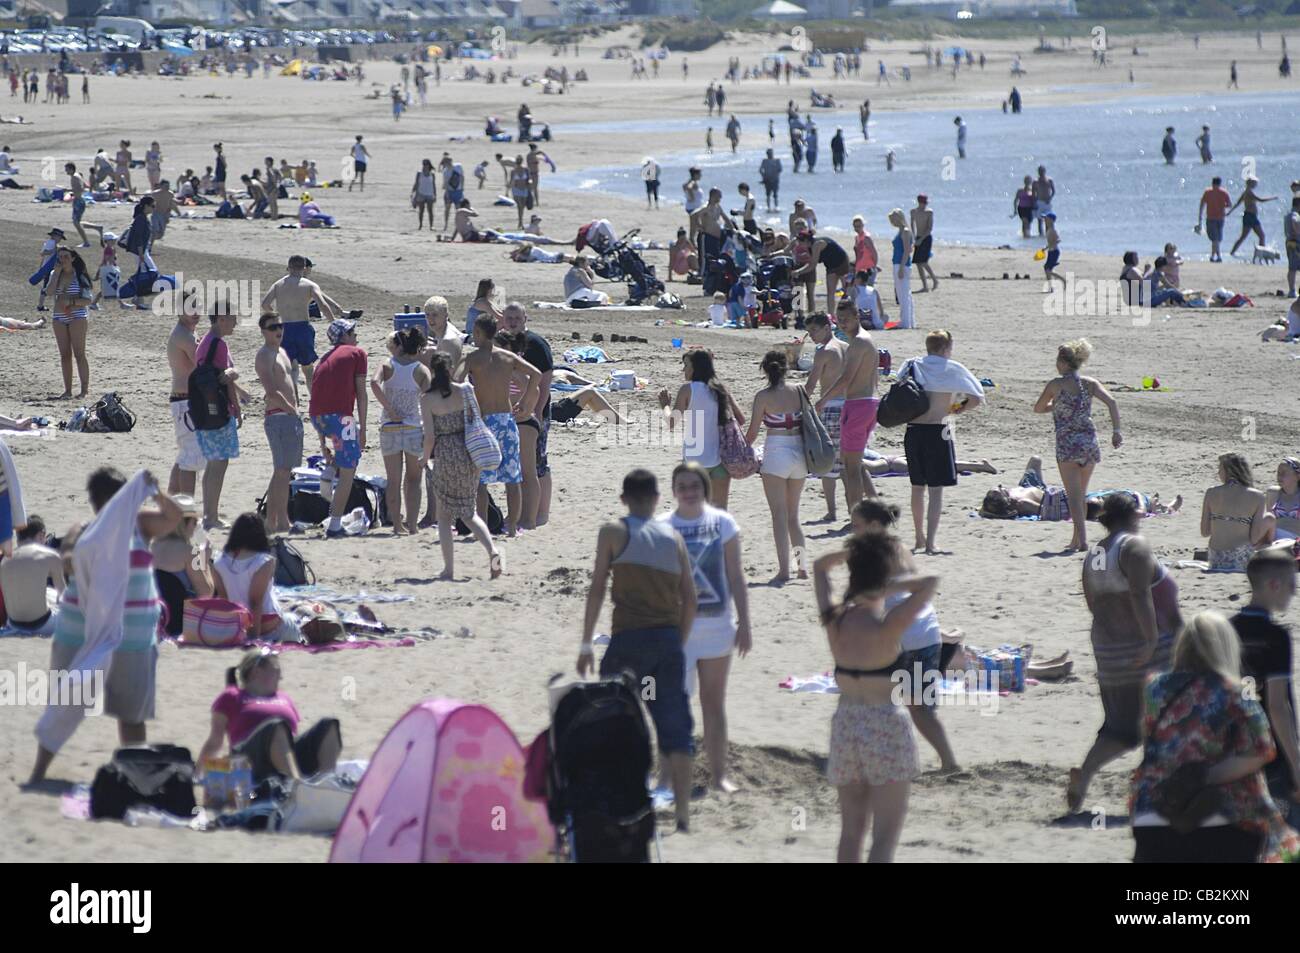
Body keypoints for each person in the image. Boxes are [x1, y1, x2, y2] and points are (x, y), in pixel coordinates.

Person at [29, 468, 183, 784]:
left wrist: (154, 491)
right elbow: (69, 557)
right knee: (65, 704)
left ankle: (135, 777)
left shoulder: (140, 524)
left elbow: (174, 517)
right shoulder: (85, 530)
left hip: (131, 638)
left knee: (130, 714)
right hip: (82, 632)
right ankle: (39, 772)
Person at [577, 469, 697, 831]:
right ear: (658, 499)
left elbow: (598, 587)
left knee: (615, 720)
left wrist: (585, 644)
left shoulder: (613, 531)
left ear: (624, 499)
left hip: (628, 641)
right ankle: (682, 817)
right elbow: (690, 601)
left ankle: (618, 802)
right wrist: (679, 640)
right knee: (675, 726)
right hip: (666, 643)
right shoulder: (674, 538)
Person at [1129, 612, 1300, 863]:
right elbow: (1263, 750)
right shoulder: (1235, 692)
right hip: (1222, 818)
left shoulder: (1155, 688)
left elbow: (1151, 744)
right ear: (1227, 649)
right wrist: (1206, 775)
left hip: (1154, 810)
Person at [815, 533, 937, 862]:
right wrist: (883, 585)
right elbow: (928, 582)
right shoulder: (889, 625)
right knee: (884, 838)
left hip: (845, 726)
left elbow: (819, 567)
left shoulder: (835, 620)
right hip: (884, 726)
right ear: (883, 578)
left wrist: (855, 554)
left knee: (850, 833)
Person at [1069, 492, 1182, 813]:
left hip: (1108, 650)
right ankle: (1157, 790)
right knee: (1163, 720)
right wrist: (1149, 640)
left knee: (1122, 727)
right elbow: (1139, 593)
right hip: (1150, 651)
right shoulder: (1134, 546)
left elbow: (1094, 604)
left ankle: (1087, 772)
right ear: (1132, 515)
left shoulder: (1095, 554)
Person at [851, 499, 960, 773]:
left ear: (875, 525)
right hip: (927, 631)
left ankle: (946, 763)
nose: (852, 532)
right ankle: (944, 760)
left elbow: (871, 601)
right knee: (915, 707)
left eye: (856, 526)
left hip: (908, 638)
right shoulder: (899, 547)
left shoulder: (872, 556)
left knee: (902, 705)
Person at [662, 462, 750, 792]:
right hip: (676, 633)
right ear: (673, 490)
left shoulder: (723, 523)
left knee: (714, 704)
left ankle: (718, 776)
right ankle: (669, 776)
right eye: (682, 486)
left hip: (717, 627)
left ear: (704, 488)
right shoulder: (663, 527)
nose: (688, 491)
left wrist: (745, 623)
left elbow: (736, 576)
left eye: (694, 485)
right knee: (675, 705)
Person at [897, 330, 985, 554]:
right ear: (946, 348)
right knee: (936, 490)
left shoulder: (911, 365)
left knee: (917, 487)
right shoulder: (953, 369)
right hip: (939, 429)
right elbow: (976, 397)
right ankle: (931, 542)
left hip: (913, 429)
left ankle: (918, 538)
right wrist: (953, 409)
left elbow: (899, 388)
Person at [197, 648, 342, 784]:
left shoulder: (284, 698)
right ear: (256, 672)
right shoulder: (232, 696)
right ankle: (297, 786)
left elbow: (291, 739)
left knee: (329, 725)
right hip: (249, 761)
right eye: (276, 671)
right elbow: (215, 740)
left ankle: (327, 783)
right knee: (276, 726)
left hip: (285, 760)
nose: (281, 677)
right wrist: (198, 774)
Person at [1232, 550, 1300, 829]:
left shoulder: (1227, 629)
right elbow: (1277, 706)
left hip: (1235, 743)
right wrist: (1296, 765)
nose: (1294, 593)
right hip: (1271, 746)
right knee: (1284, 830)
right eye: (1291, 585)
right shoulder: (1276, 637)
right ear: (1274, 585)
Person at [1033, 340, 1122, 551]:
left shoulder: (1056, 385)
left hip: (1067, 444)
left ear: (1063, 363)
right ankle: (1075, 539)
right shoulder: (1089, 383)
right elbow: (1112, 402)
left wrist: (1054, 407)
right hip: (1089, 442)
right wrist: (1116, 431)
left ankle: (1081, 540)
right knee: (1081, 493)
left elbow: (1038, 408)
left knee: (1073, 496)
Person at [420, 352, 502, 579]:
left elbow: (429, 437)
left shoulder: (427, 399)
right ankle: (493, 551)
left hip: (445, 455)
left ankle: (449, 569)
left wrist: (425, 458)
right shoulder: (466, 390)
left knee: (445, 516)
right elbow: (477, 420)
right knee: (469, 511)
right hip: (468, 452)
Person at [458, 314, 540, 538]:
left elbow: (455, 381)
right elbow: (536, 374)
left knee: (480, 480)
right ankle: (512, 528)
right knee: (512, 478)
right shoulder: (507, 356)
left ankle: (482, 529)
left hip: (484, 422)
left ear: (477, 333)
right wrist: (525, 401)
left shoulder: (472, 357)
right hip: (506, 420)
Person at [745, 351, 808, 583]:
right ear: (786, 368)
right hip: (799, 454)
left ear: (765, 369)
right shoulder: (799, 389)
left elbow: (752, 433)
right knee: (793, 517)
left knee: (779, 517)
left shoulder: (763, 396)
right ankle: (801, 567)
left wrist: (738, 450)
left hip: (776, 452)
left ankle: (784, 571)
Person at [658, 350, 745, 511]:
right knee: (720, 512)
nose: (683, 370)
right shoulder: (721, 389)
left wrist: (665, 406)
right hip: (720, 459)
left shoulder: (688, 389)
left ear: (696, 367)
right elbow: (741, 419)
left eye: (686, 365)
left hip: (694, 459)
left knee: (694, 511)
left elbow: (671, 422)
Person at [816, 300, 880, 514]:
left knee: (849, 469)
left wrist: (823, 399)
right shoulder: (866, 341)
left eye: (846, 319)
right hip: (868, 404)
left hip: (858, 405)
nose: (842, 324)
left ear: (856, 317)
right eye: (838, 320)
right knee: (855, 463)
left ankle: (857, 514)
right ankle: (877, 507)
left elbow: (846, 378)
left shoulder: (859, 342)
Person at [308, 319, 368, 540]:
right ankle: (334, 524)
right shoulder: (357, 353)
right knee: (350, 467)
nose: (355, 335)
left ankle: (329, 472)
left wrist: (322, 443)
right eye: (352, 331)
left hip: (318, 417)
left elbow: (316, 396)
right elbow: (361, 394)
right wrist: (363, 428)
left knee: (341, 459)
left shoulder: (324, 358)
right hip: (341, 418)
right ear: (344, 336)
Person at [368, 326, 431, 535]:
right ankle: (412, 525)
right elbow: (429, 400)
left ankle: (396, 525)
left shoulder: (387, 364)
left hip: (390, 427)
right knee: (414, 479)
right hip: (413, 427)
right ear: (419, 347)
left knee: (393, 480)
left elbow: (374, 383)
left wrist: (389, 408)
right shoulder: (421, 370)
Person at [501, 303, 553, 529]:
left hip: (535, 411)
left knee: (538, 464)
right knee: (519, 466)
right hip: (511, 413)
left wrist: (539, 412)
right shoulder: (502, 343)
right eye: (508, 318)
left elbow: (545, 381)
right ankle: (523, 512)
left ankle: (541, 513)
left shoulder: (536, 344)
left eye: (516, 318)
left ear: (525, 318)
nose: (512, 321)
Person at [260, 255, 340, 399]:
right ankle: (315, 400)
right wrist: (333, 322)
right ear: (304, 268)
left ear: (288, 267)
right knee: (308, 369)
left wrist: (277, 315)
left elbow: (265, 304)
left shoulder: (278, 285)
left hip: (284, 329)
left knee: (289, 368)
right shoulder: (309, 284)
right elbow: (322, 304)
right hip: (303, 328)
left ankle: (294, 402)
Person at [195, 304, 244, 531]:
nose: (235, 322)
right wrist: (237, 408)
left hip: (203, 409)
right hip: (219, 409)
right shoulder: (219, 344)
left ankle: (209, 514)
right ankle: (211, 516)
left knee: (213, 463)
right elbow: (226, 381)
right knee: (219, 463)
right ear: (221, 319)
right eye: (232, 318)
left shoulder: (205, 342)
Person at [254, 312, 303, 535]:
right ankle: (280, 521)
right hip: (278, 417)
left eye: (280, 326)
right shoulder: (264, 355)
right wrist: (291, 409)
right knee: (282, 471)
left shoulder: (281, 352)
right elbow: (271, 391)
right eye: (273, 327)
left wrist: (296, 407)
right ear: (264, 331)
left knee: (283, 471)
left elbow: (290, 383)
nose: (278, 330)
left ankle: (273, 521)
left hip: (289, 416)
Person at [804, 312, 852, 521]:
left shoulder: (824, 351)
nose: (812, 335)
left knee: (828, 463)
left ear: (826, 327)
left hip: (831, 408)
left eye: (814, 330)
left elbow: (812, 383)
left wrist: (800, 403)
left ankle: (832, 511)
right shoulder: (847, 347)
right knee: (849, 463)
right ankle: (852, 510)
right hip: (850, 407)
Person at [150, 495, 213, 635]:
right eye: (195, 522)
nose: (196, 526)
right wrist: (205, 560)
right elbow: (205, 593)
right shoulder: (191, 553)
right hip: (178, 623)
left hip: (151, 620)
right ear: (186, 523)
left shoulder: (151, 547)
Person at [1201, 453, 1267, 572]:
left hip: (1216, 559)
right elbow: (1254, 538)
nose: (1218, 473)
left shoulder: (1211, 493)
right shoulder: (1258, 496)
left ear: (1228, 471)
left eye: (1220, 469)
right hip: (1241, 559)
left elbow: (1205, 532)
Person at [0, 516, 64, 634]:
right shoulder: (50, 556)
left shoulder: (5, 560)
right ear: (41, 535)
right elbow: (63, 598)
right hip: (42, 624)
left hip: (12, 623)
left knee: (48, 592)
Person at [47, 246, 92, 399]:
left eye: (66, 256)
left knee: (79, 354)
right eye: (60, 257)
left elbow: (88, 300)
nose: (63, 260)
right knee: (64, 355)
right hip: (59, 317)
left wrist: (71, 301)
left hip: (77, 317)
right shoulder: (55, 274)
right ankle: (67, 391)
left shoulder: (79, 275)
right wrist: (56, 274)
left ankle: (84, 390)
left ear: (72, 258)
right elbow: (49, 292)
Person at [167, 305, 203, 496]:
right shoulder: (184, 335)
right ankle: (184, 508)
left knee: (186, 454)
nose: (196, 312)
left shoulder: (190, 332)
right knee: (191, 456)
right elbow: (203, 363)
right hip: (184, 401)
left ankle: (173, 500)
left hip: (186, 400)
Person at [793, 230, 851, 315]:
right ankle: (831, 316)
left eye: (800, 242)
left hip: (841, 262)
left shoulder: (817, 244)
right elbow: (810, 263)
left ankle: (849, 311)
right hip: (830, 265)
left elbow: (812, 265)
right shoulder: (809, 248)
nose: (799, 244)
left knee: (846, 290)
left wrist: (798, 272)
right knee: (830, 292)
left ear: (806, 241)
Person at [1228, 178, 1278, 257]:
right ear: (1250, 184)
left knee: (1256, 236)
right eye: (1255, 183)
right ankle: (1260, 254)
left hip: (1251, 216)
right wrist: (1273, 198)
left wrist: (1229, 212)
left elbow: (1237, 203)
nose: (1256, 185)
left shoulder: (1245, 192)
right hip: (1250, 216)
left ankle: (1233, 252)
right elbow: (1261, 200)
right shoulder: (1249, 192)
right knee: (1259, 236)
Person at [886, 209, 914, 328]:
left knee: (903, 294)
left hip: (901, 264)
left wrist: (902, 267)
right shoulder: (902, 231)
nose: (892, 222)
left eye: (893, 219)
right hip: (898, 263)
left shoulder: (905, 232)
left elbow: (907, 250)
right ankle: (908, 321)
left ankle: (905, 322)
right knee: (904, 293)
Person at [1261, 457, 1300, 542]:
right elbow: (1267, 521)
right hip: (1275, 542)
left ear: (1297, 476)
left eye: (1284, 473)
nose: (1280, 476)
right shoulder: (1272, 493)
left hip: (1296, 542)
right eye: (1278, 472)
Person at [1197, 176, 1231, 262]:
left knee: (1214, 239)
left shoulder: (1208, 192)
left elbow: (1202, 204)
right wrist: (1222, 206)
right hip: (1220, 217)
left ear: (1212, 183)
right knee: (1216, 239)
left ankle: (1217, 256)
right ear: (1220, 183)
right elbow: (1229, 204)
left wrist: (1200, 215)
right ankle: (1214, 256)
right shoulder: (1224, 192)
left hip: (1211, 217)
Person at [909, 195, 938, 293]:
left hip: (926, 238)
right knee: (918, 262)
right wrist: (913, 237)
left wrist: (921, 239)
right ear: (919, 202)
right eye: (922, 202)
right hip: (917, 238)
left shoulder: (929, 212)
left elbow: (929, 228)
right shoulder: (913, 212)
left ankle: (934, 280)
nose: (924, 205)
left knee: (924, 261)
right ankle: (925, 286)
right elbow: (912, 224)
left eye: (925, 203)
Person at [411, 158, 437, 231]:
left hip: (429, 194)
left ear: (429, 165)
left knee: (430, 211)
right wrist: (413, 192)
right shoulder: (419, 173)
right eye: (424, 164)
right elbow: (416, 183)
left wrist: (435, 195)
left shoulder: (432, 174)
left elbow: (433, 185)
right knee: (421, 211)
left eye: (426, 164)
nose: (425, 166)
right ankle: (420, 225)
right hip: (421, 193)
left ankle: (431, 226)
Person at [851, 215, 878, 284]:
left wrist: (874, 266)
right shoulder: (857, 237)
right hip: (859, 268)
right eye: (855, 226)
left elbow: (874, 253)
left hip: (868, 268)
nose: (857, 228)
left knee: (868, 289)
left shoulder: (866, 238)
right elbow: (858, 254)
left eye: (859, 226)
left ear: (863, 225)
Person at [1043, 212, 1065, 289]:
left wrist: (1051, 245)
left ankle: (1063, 280)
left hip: (1055, 252)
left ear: (1051, 220)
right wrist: (1046, 248)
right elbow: (1050, 242)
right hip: (1050, 251)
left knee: (1048, 269)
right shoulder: (1048, 229)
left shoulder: (1053, 230)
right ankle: (1051, 286)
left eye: (1046, 219)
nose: (1044, 220)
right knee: (1047, 268)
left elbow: (1058, 240)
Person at [1284, 196, 1300, 298]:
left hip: (1289, 242)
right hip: (1295, 243)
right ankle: (1292, 290)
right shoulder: (1295, 215)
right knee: (1293, 268)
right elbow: (1295, 221)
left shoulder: (1287, 215)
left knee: (1292, 268)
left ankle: (1292, 290)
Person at [1032, 165, 1055, 236]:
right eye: (1039, 171)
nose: (1041, 172)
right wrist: (1034, 202)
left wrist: (1050, 198)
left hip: (1047, 202)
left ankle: (1048, 235)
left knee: (1048, 220)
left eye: (1042, 171)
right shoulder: (1035, 181)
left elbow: (1053, 191)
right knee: (1040, 220)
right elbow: (1033, 193)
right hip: (1039, 202)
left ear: (1044, 171)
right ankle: (1040, 234)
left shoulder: (1049, 180)